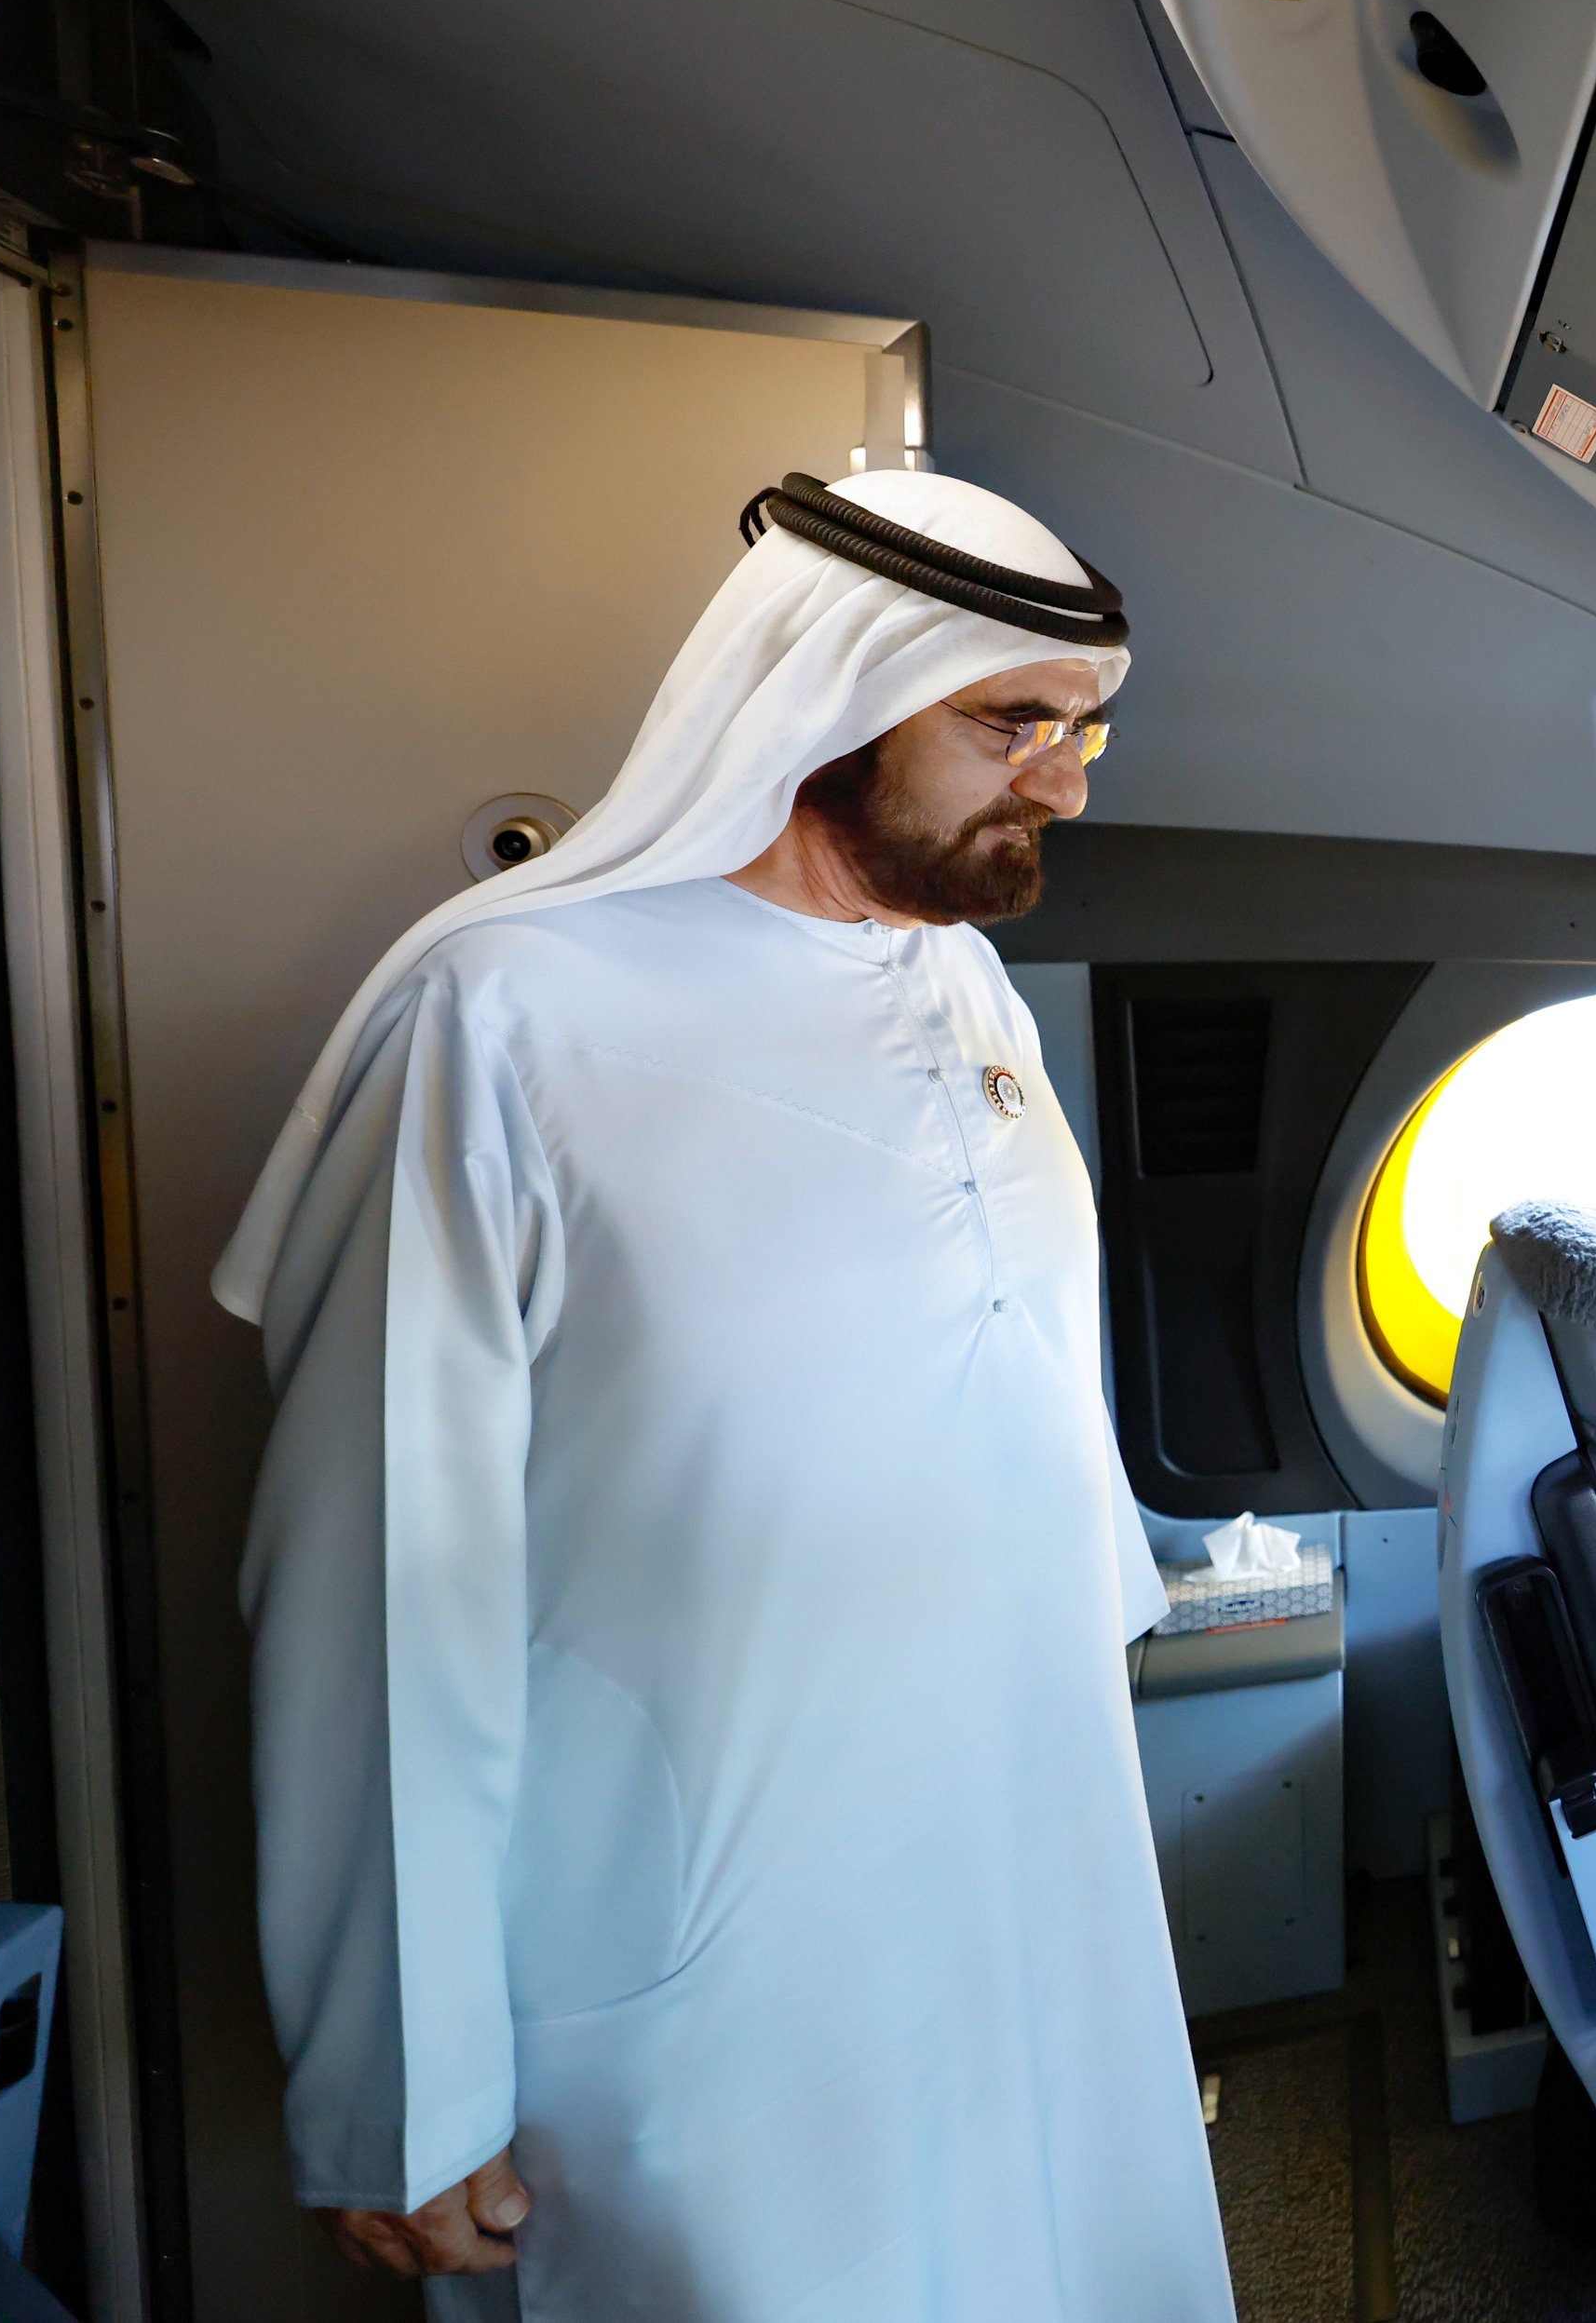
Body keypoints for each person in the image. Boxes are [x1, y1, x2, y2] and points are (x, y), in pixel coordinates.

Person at [221, 470, 1233, 2319]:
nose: (1069, 780)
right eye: (1014, 723)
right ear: (830, 689)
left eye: (1084, 728)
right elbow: (386, 1578)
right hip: (707, 1921)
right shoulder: (508, 1010)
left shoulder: (969, 990)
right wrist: (402, 2073)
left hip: (1022, 1861)